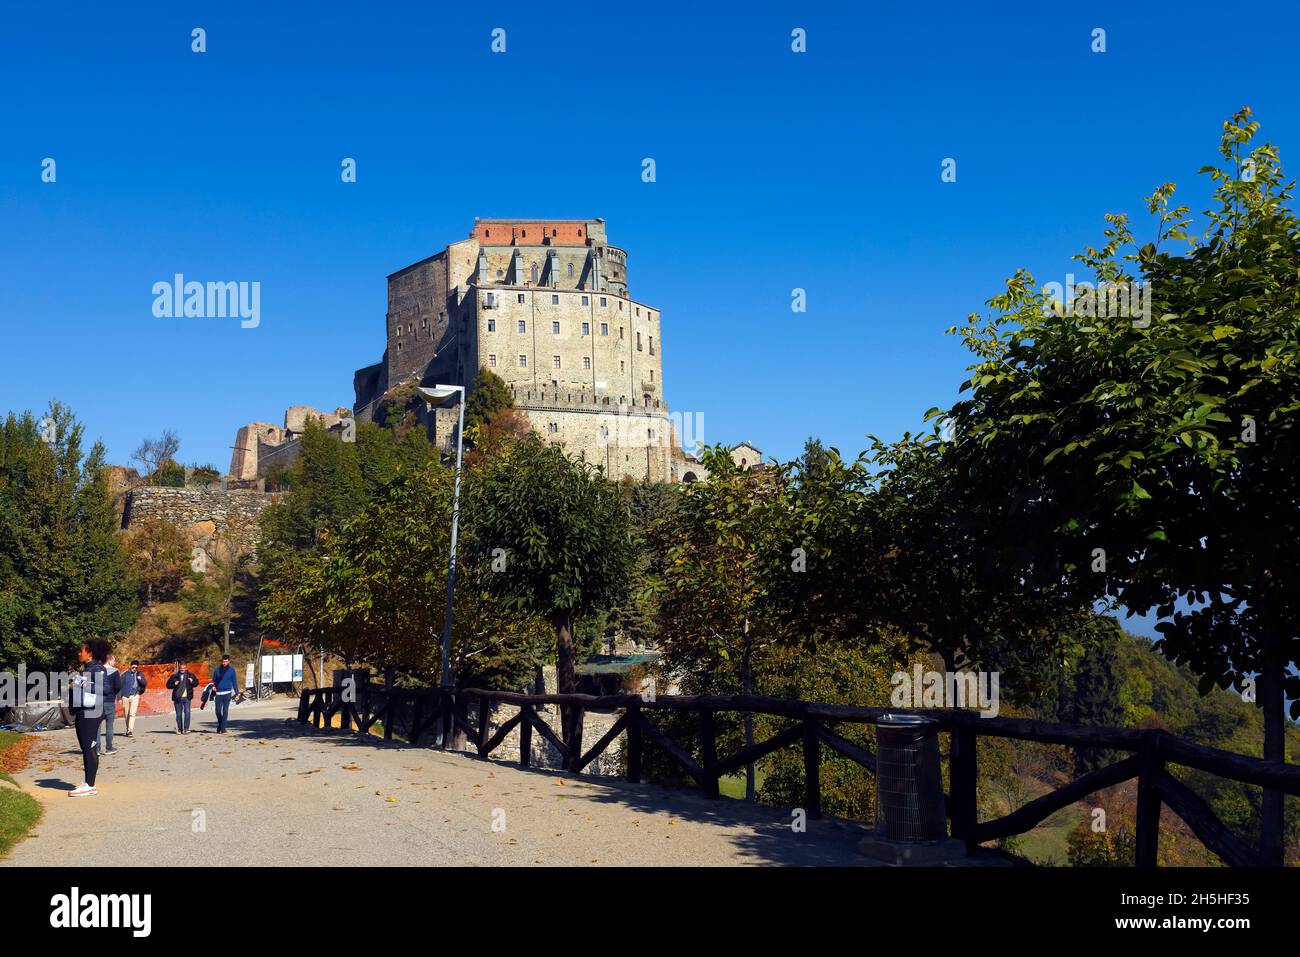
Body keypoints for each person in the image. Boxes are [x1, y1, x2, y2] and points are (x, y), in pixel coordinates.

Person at [67, 639, 111, 798]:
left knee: (89, 747)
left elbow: (106, 689)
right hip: (84, 711)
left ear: (90, 653)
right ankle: (88, 783)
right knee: (86, 748)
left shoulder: (97, 668)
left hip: (91, 712)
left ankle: (90, 785)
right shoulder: (88, 668)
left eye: (82, 650)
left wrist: (86, 685)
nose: (79, 653)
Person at [165, 662, 199, 735]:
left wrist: (192, 681)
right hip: (177, 698)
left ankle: (186, 729)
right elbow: (168, 685)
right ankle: (180, 729)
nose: (182, 670)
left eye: (184, 668)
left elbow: (196, 683)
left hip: (187, 697)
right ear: (179, 669)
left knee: (187, 712)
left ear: (186, 668)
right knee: (178, 714)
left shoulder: (191, 675)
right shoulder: (174, 676)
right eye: (181, 669)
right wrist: (174, 684)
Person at [99, 653, 122, 755]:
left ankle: (96, 749)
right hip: (109, 701)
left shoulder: (96, 670)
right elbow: (118, 686)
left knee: (97, 726)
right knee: (109, 726)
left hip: (98, 701)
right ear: (109, 660)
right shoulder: (115, 671)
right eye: (114, 661)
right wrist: (113, 694)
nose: (115, 663)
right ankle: (109, 748)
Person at [210, 654, 239, 734]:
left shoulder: (231, 670)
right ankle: (220, 725)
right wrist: (213, 686)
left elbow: (235, 682)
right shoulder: (217, 670)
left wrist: (237, 693)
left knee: (225, 710)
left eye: (226, 661)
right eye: (223, 661)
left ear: (229, 661)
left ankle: (223, 728)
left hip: (227, 693)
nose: (224, 663)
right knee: (218, 711)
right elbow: (213, 680)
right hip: (218, 693)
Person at [119, 660, 148, 736]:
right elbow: (119, 687)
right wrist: (119, 698)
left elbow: (145, 683)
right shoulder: (124, 674)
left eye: (136, 667)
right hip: (125, 696)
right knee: (126, 714)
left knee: (132, 713)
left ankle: (130, 730)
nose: (134, 668)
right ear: (130, 666)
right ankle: (128, 728)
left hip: (135, 695)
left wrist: (140, 679)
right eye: (133, 667)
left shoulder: (139, 673)